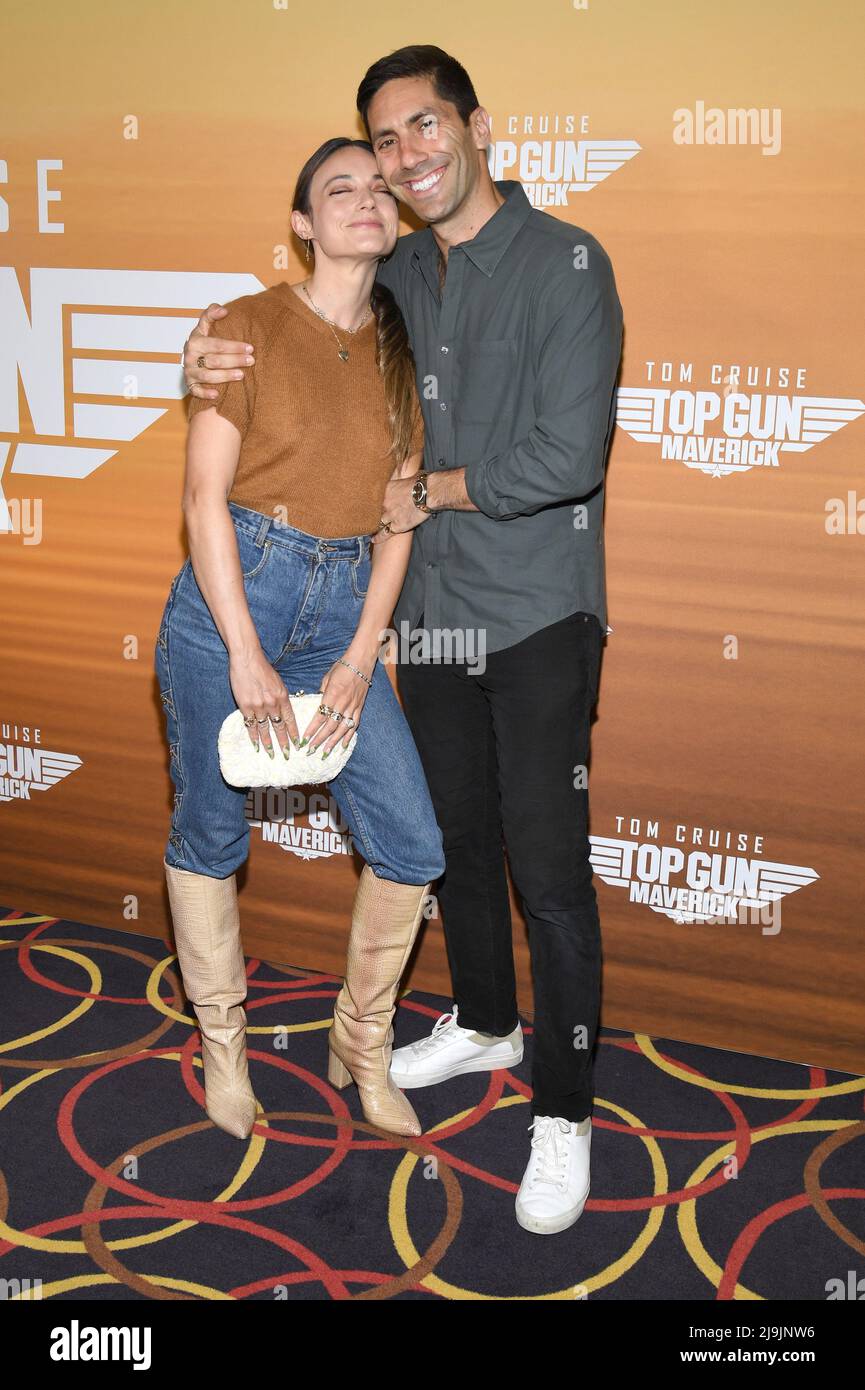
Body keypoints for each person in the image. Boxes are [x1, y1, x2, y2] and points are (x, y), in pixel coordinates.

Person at [182, 46, 623, 1234]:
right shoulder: (400, 276)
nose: (406, 157)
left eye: (425, 127)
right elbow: (291, 342)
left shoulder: (567, 262)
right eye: (384, 141)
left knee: (547, 871)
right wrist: (201, 355)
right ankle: (483, 1021)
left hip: (535, 611)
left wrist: (431, 489)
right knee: (457, 847)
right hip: (424, 619)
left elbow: (566, 459)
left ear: (476, 127)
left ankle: (564, 1112)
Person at [155, 135, 446, 1144]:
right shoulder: (244, 326)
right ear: (302, 223)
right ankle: (225, 1049)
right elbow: (202, 497)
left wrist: (364, 652)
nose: (365, 201)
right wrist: (242, 648)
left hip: (343, 614)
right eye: (339, 189)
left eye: (377, 188)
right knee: (208, 833)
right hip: (233, 596)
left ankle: (357, 1048)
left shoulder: (404, 351)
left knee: (410, 844)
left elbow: (400, 520)